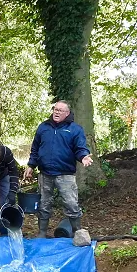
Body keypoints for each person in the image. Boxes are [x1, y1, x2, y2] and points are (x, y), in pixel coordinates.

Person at [24, 100, 93, 238]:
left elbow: (80, 148)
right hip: (45, 174)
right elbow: (35, 148)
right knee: (43, 204)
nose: (56, 112)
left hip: (65, 175)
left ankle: (77, 233)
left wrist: (84, 157)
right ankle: (42, 233)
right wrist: (31, 165)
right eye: (55, 109)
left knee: (71, 204)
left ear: (67, 113)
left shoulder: (75, 129)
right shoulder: (43, 127)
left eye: (60, 110)